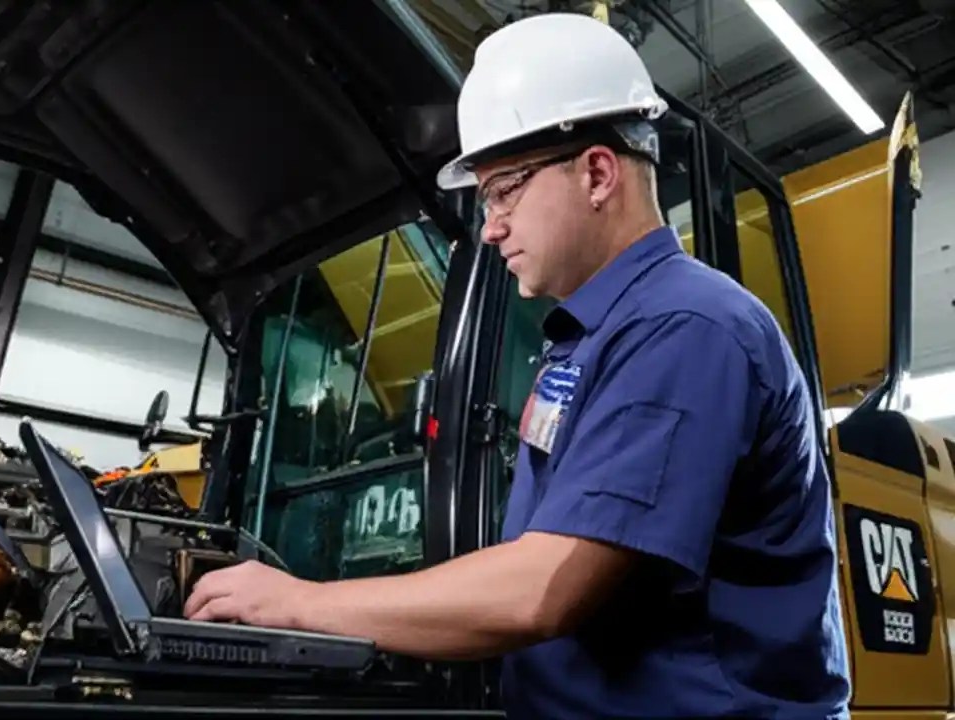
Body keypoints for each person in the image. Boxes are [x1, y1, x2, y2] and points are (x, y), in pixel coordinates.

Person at [183, 11, 851, 719]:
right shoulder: (589, 338)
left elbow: (543, 587)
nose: (492, 223)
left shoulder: (686, 328)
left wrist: (301, 606)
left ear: (597, 172)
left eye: (506, 190)